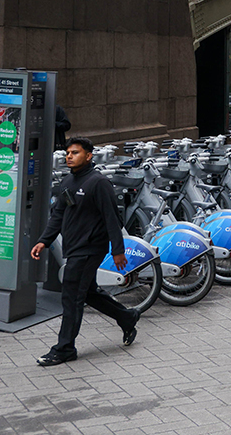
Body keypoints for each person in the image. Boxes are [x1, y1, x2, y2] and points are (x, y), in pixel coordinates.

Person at [31, 137, 140, 367]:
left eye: (75, 153)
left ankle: (64, 348)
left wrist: (118, 250)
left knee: (71, 296)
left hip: (90, 247)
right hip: (75, 246)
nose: (69, 156)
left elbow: (112, 218)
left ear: (89, 156)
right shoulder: (68, 181)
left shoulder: (98, 183)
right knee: (87, 292)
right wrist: (44, 241)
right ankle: (127, 317)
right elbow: (58, 215)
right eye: (68, 153)